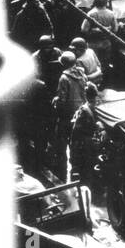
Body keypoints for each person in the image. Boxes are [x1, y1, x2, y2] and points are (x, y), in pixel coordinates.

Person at [51, 52, 87, 181]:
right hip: (81, 111)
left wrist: (56, 101)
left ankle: (62, 169)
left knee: (62, 140)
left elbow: (62, 100)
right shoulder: (82, 73)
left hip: (68, 115)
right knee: (77, 141)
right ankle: (77, 167)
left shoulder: (64, 78)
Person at [68, 84, 102, 187]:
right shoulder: (95, 107)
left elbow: (75, 134)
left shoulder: (84, 109)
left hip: (85, 146)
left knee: (86, 175)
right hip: (89, 145)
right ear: (95, 95)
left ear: (85, 95)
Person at [82, 0, 117, 73]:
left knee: (94, 64)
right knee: (105, 64)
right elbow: (115, 29)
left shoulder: (91, 14)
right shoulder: (111, 13)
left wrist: (94, 31)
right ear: (106, 2)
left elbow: (84, 29)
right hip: (106, 43)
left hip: (93, 43)